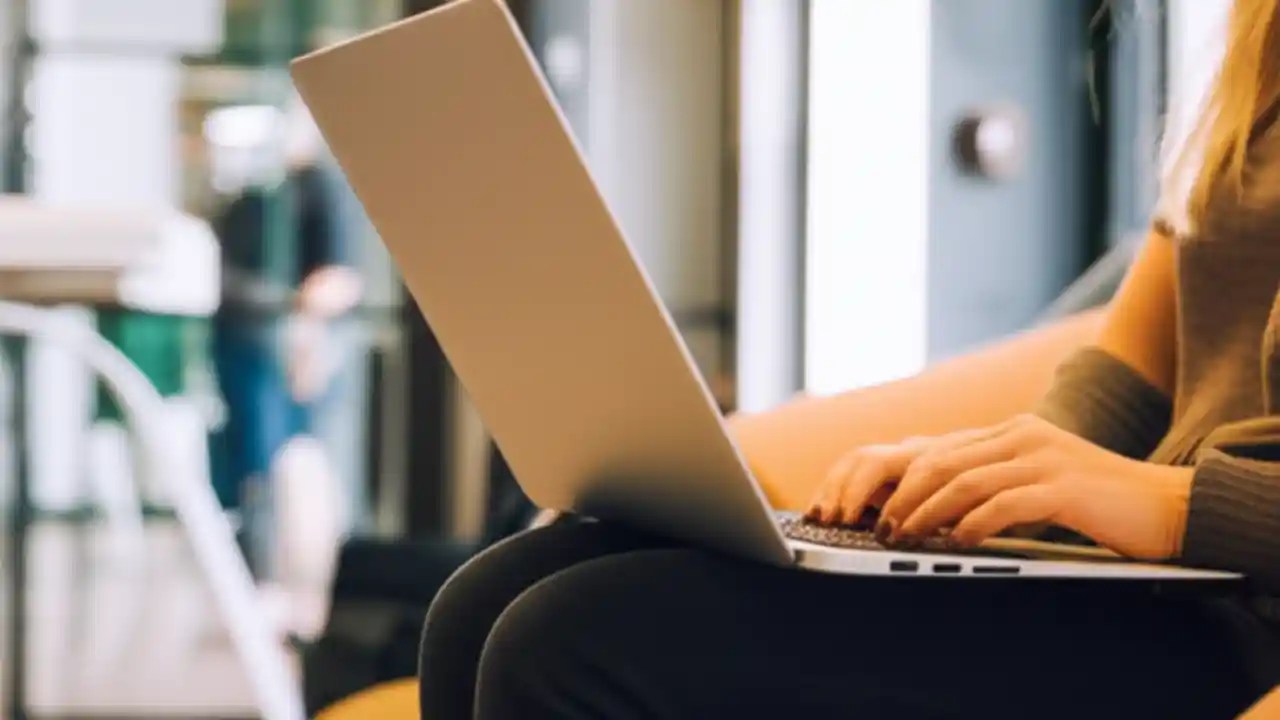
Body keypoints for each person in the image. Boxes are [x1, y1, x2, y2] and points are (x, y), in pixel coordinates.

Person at [418, 0, 1280, 716]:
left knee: (575, 640)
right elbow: (1135, 362)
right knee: (487, 602)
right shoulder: (1256, 46)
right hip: (1162, 584)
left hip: (1243, 617)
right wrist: (994, 479)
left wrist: (1169, 505)